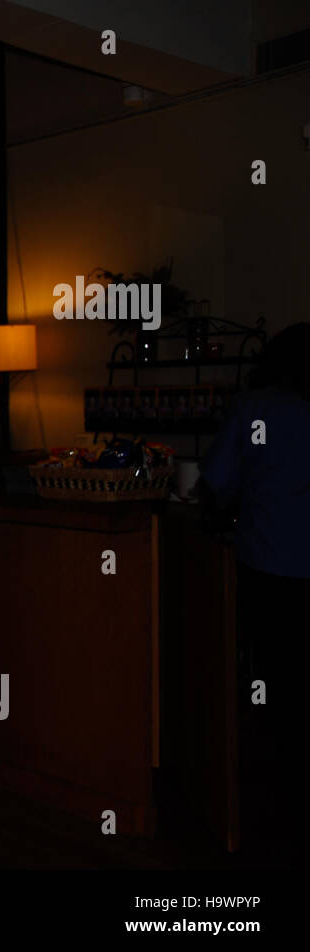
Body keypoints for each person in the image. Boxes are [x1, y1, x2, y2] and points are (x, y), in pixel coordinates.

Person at [200, 321, 310, 862]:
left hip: (272, 570)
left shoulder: (255, 408)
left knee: (271, 684)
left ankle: (276, 802)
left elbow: (216, 486)